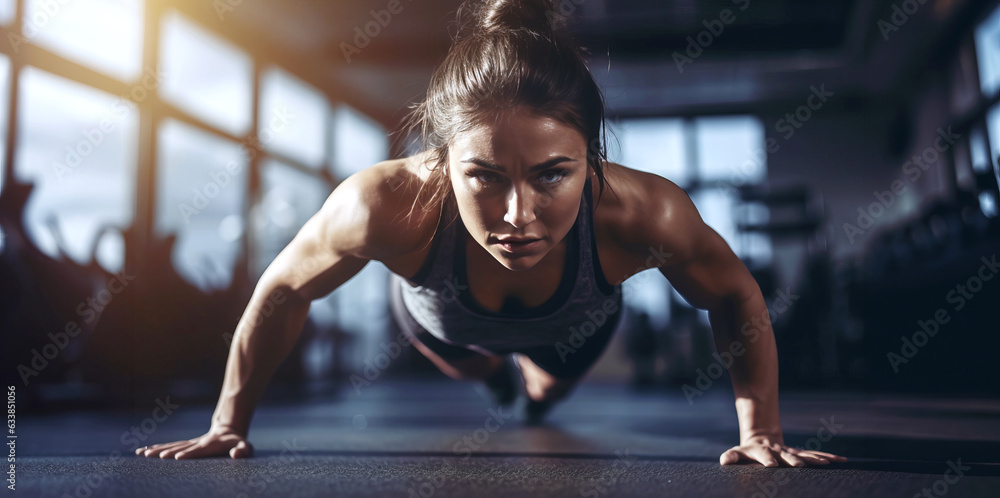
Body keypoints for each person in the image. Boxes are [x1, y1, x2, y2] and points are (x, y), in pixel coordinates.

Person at [136, 0, 847, 468]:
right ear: (443, 159)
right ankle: (501, 382)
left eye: (550, 175)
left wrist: (760, 430)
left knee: (541, 393)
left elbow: (734, 296)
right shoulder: (383, 203)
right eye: (484, 177)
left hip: (575, 333)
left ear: (590, 159)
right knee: (478, 366)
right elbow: (284, 290)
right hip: (441, 325)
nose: (517, 216)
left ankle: (532, 386)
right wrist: (229, 421)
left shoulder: (642, 212)